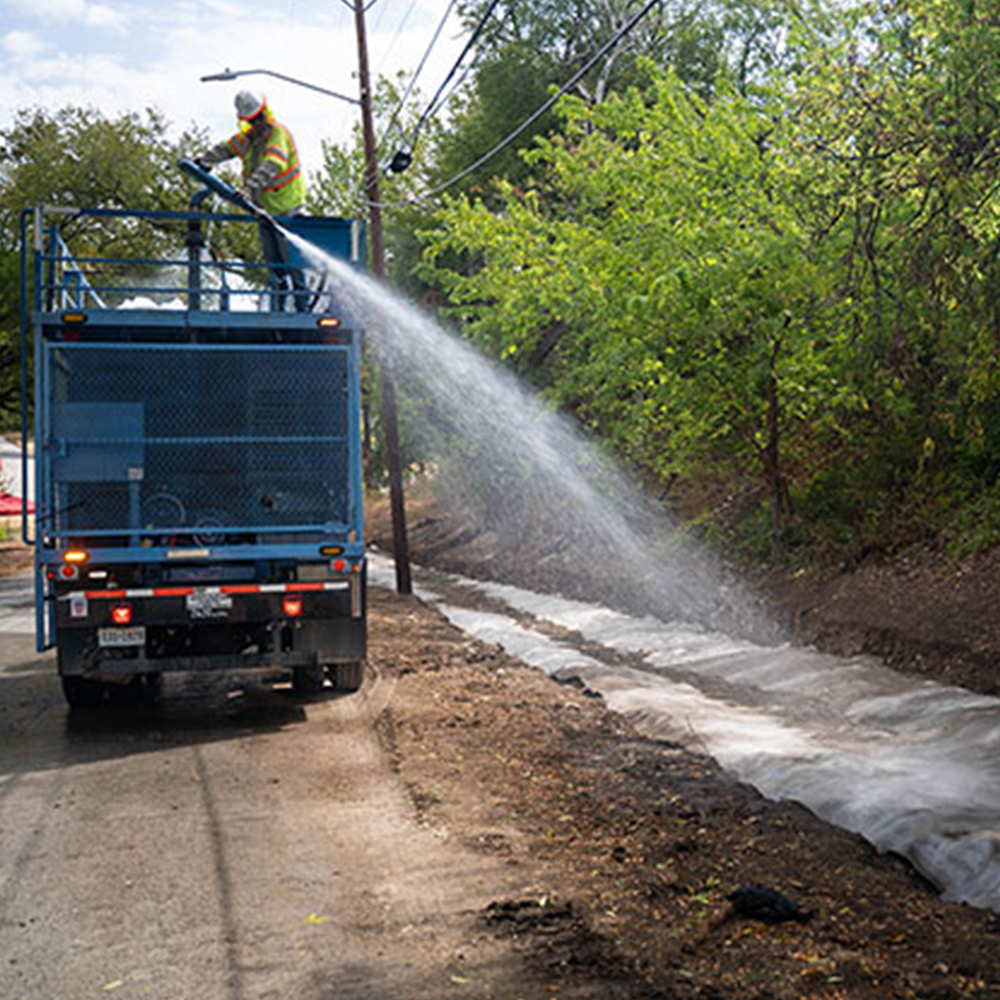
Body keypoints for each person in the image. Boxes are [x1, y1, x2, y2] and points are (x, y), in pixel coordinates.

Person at [197, 91, 310, 311]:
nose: (256, 123)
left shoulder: (278, 134)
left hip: (288, 209)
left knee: (292, 262)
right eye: (251, 120)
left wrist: (249, 189)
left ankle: (301, 308)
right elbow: (225, 149)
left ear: (265, 113)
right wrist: (203, 159)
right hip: (264, 211)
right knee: (274, 264)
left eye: (259, 117)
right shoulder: (248, 140)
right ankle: (280, 309)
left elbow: (273, 164)